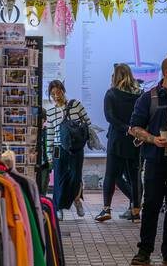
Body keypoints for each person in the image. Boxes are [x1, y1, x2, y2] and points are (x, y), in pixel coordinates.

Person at [128, 54, 167, 266]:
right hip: (154, 160)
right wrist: (153, 139)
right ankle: (144, 250)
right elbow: (133, 128)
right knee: (151, 205)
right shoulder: (148, 98)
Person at [96, 63, 142, 222]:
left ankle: (106, 209)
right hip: (135, 140)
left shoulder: (111, 94)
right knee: (134, 175)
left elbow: (110, 117)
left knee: (111, 174)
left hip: (117, 139)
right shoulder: (139, 95)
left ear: (115, 77)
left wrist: (124, 128)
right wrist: (132, 129)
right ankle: (136, 211)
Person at [46, 81, 94, 219]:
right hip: (58, 148)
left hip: (75, 147)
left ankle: (76, 199)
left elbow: (88, 124)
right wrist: (49, 154)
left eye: (58, 92)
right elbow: (50, 133)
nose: (56, 96)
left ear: (63, 90)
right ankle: (58, 207)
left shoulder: (76, 105)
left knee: (75, 176)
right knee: (59, 178)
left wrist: (81, 134)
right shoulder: (51, 112)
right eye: (52, 94)